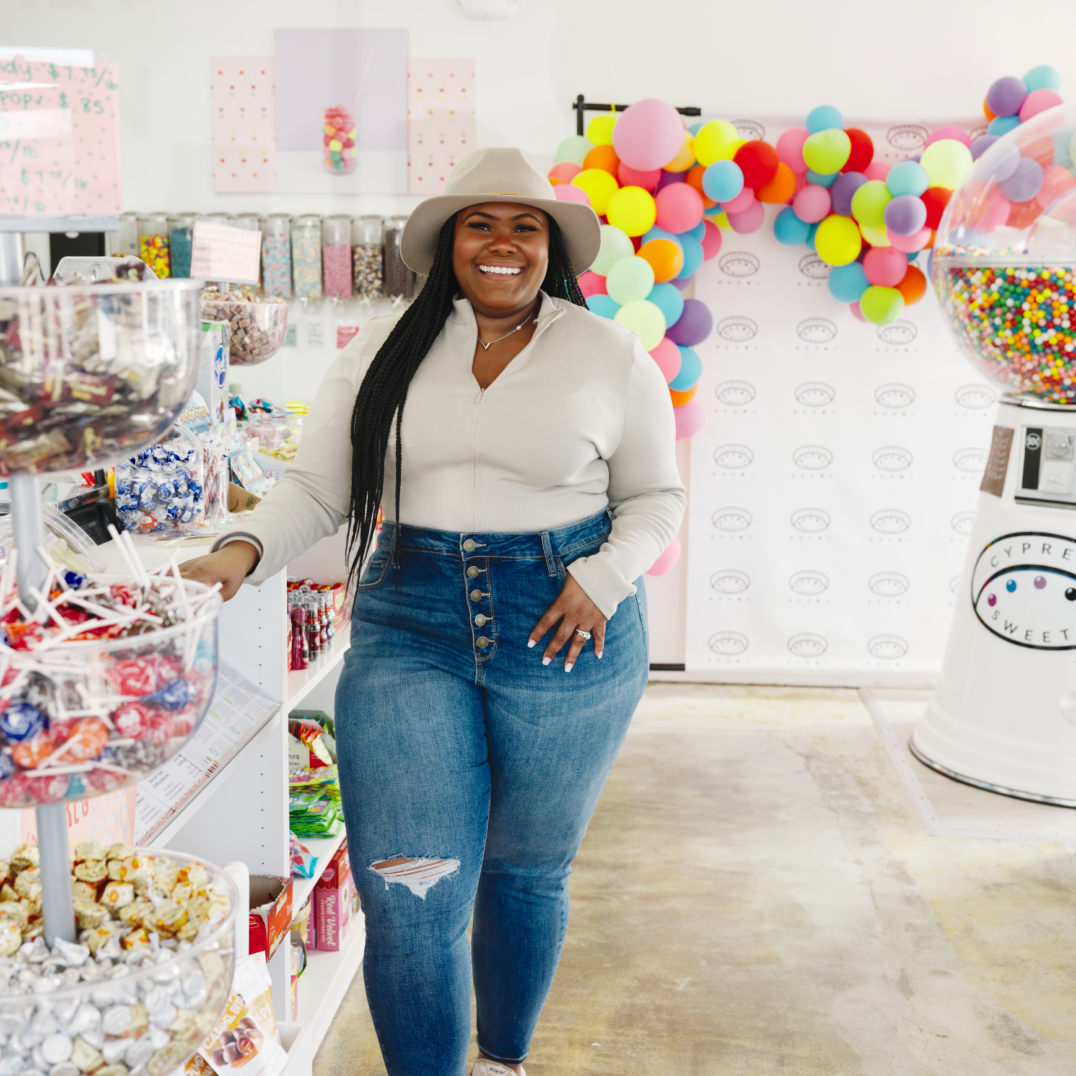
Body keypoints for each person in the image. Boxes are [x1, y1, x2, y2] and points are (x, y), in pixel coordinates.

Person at [181, 147, 686, 1076]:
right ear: (450, 245)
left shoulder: (606, 354)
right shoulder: (381, 348)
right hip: (410, 622)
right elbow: (318, 490)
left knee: (525, 874)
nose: (502, 245)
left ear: (551, 247)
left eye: (523, 227)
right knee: (411, 892)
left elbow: (656, 498)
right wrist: (238, 554)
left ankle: (503, 1062)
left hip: (567, 621)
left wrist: (604, 578)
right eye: (479, 226)